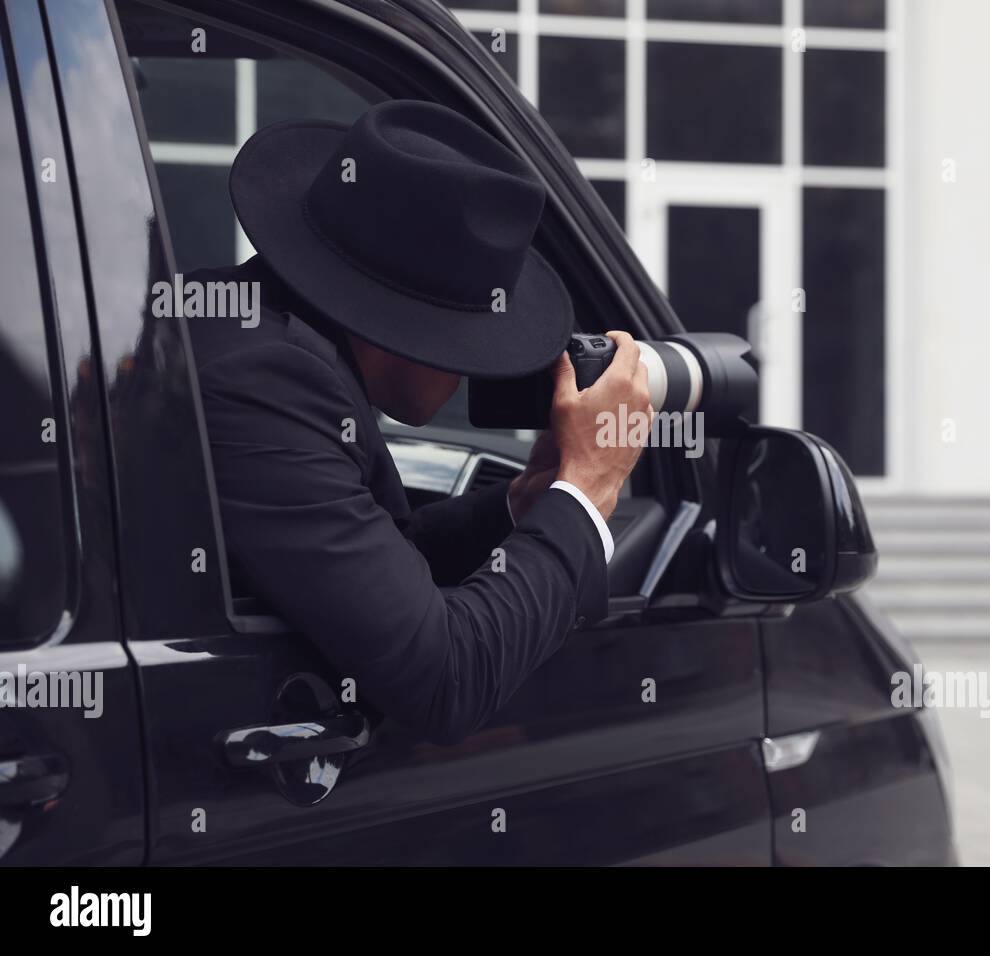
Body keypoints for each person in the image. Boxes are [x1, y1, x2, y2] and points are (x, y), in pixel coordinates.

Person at [186, 100, 651, 744]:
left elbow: (365, 572)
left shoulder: (252, 337)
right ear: (406, 321)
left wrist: (527, 503)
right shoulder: (268, 381)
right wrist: (588, 491)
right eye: (472, 340)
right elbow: (445, 678)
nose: (471, 369)